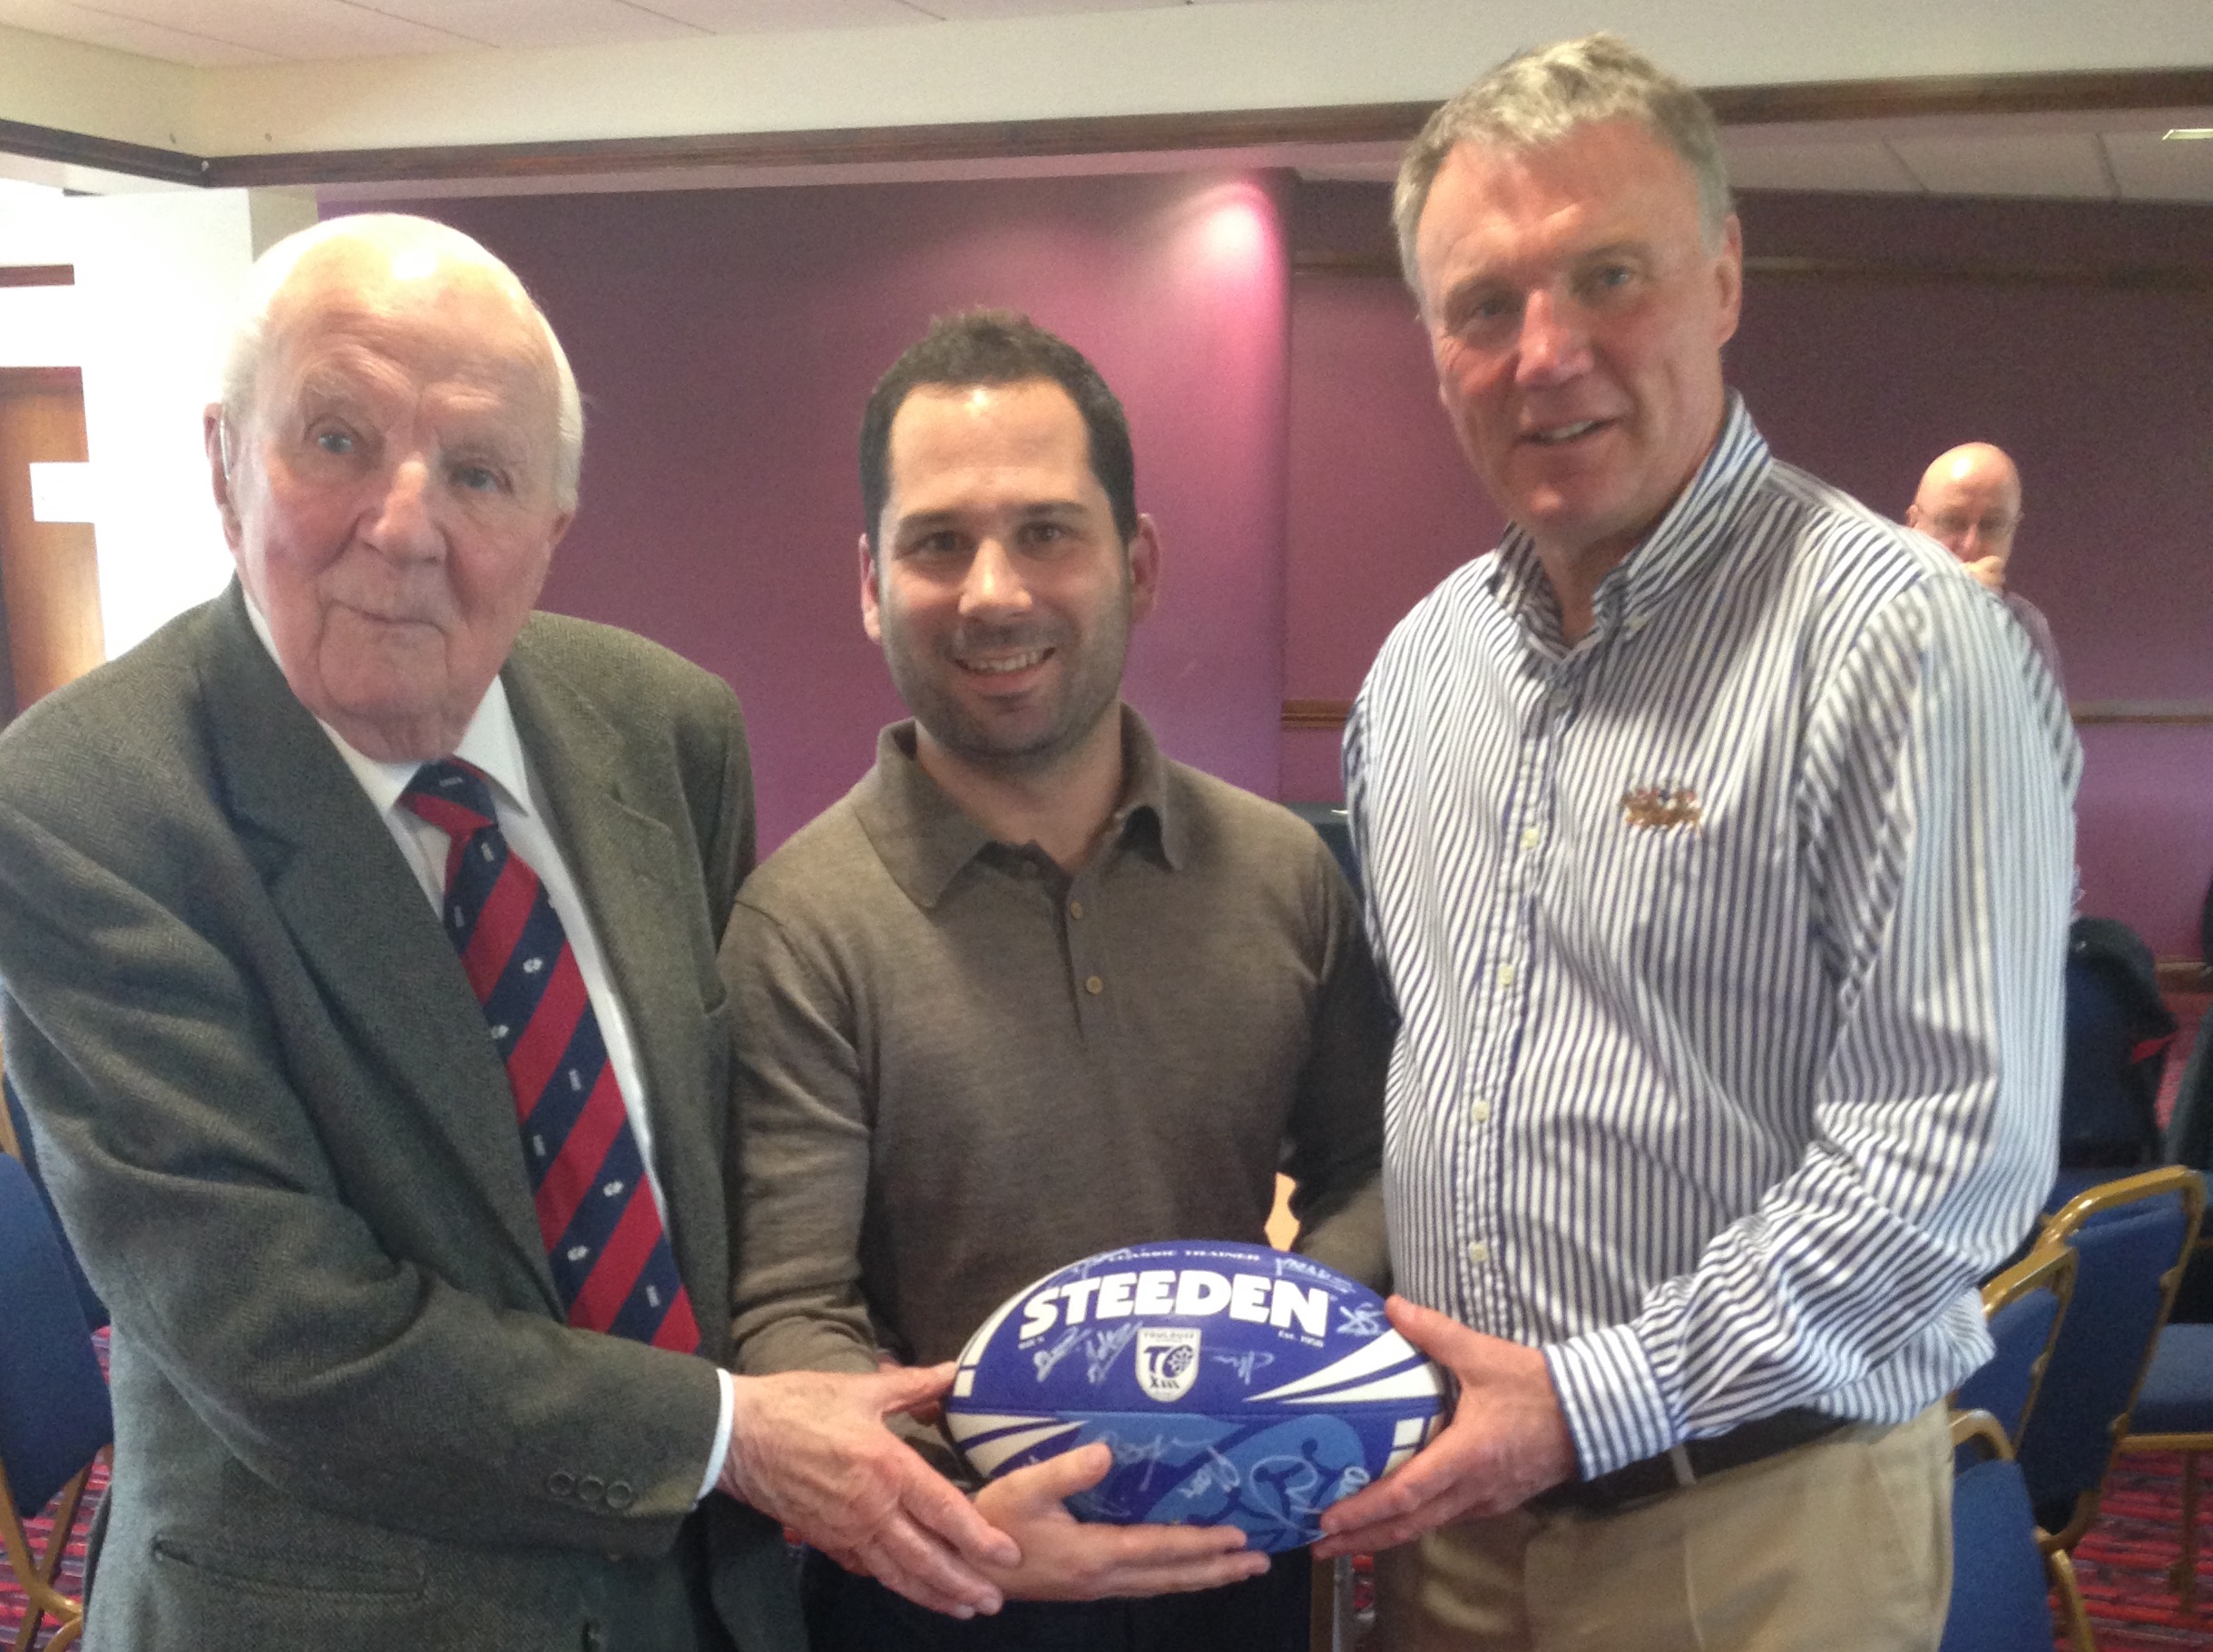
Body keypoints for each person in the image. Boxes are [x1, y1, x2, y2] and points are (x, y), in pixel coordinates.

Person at [0, 213, 1020, 1652]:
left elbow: (728, 1168)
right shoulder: (81, 806)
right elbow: (280, 1339)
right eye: (337, 440)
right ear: (225, 464)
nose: (403, 527)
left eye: (478, 472)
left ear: (551, 530)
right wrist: (726, 1434)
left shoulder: (666, 727)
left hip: (702, 1603)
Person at [1316, 35, 2081, 1651]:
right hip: (1456, 1532)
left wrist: (1585, 1399)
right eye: (1481, 305)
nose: (1544, 356)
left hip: (1756, 1527)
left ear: (1721, 278)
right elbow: (1431, 1072)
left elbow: (1949, 1153)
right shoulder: (1412, 675)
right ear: (1433, 345)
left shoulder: (1899, 641)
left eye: (1608, 276)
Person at [724, 309, 1391, 1650]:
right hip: (936, 1597)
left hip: (1235, 1570)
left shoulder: (1282, 874)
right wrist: (966, 1516)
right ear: (871, 582)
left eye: (1045, 531)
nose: (993, 592)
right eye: (937, 542)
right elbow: (791, 1310)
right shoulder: (799, 924)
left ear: (1134, 564)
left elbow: (1369, 1167)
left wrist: (1279, 1372)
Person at [1907, 440, 2064, 690]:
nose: (1971, 545)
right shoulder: (1868, 612)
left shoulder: (2027, 625)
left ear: (2014, 530)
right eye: (1952, 522)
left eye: (1992, 525)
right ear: (1913, 524)